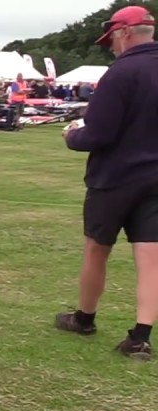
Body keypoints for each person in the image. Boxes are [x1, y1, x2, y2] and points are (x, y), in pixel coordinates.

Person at [55, 5, 158, 360]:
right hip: (156, 178)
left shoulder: (120, 73)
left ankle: (84, 318)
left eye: (111, 39)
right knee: (151, 257)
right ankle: (141, 336)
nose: (111, 46)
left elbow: (99, 133)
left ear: (124, 33)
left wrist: (72, 135)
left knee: (97, 249)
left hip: (115, 178)